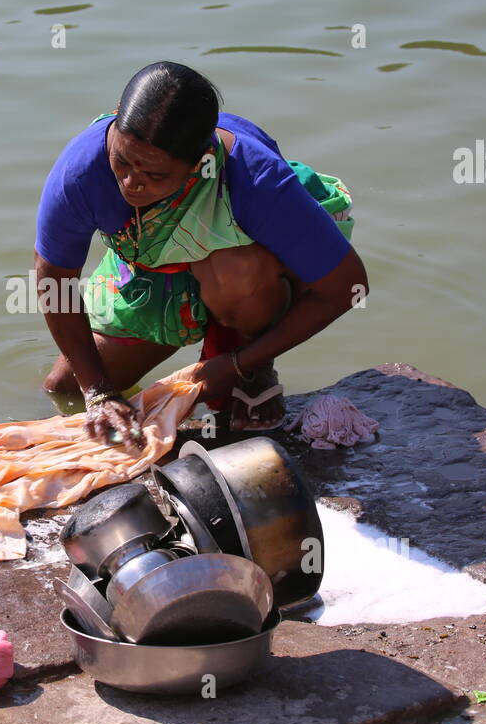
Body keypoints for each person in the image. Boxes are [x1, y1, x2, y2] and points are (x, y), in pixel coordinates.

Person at [33, 61, 369, 447]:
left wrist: (239, 364)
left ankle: (253, 358)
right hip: (150, 266)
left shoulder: (254, 179)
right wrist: (98, 393)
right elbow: (53, 276)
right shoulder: (82, 171)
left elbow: (347, 285)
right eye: (123, 160)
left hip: (242, 271)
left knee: (237, 270)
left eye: (155, 176)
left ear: (200, 163)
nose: (130, 183)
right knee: (67, 388)